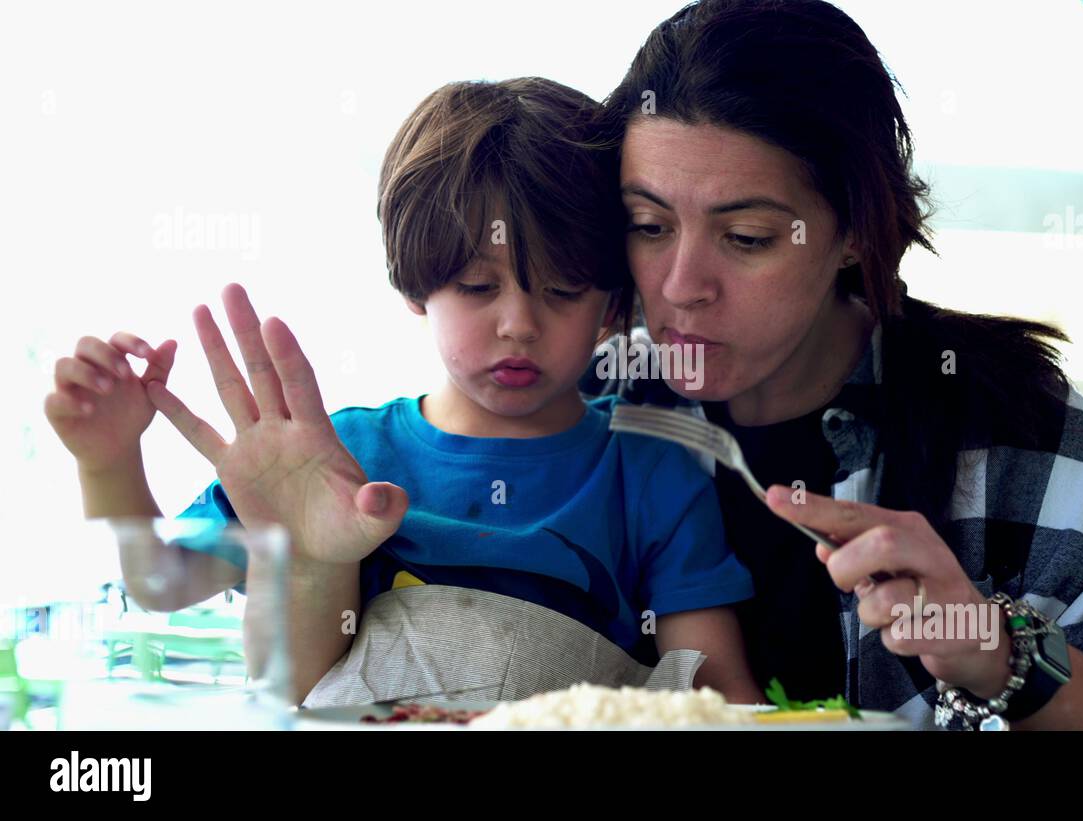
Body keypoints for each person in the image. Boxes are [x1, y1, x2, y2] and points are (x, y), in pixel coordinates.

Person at [580, 0, 1083, 730]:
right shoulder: (579, 405)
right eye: (648, 226)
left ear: (855, 233)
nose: (681, 285)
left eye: (746, 237)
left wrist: (1002, 655)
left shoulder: (1012, 430)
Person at [45, 77, 761, 706]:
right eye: (477, 287)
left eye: (563, 291)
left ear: (613, 304)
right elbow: (160, 582)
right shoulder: (333, 456)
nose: (518, 325)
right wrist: (107, 460)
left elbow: (719, 693)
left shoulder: (651, 467)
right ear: (416, 286)